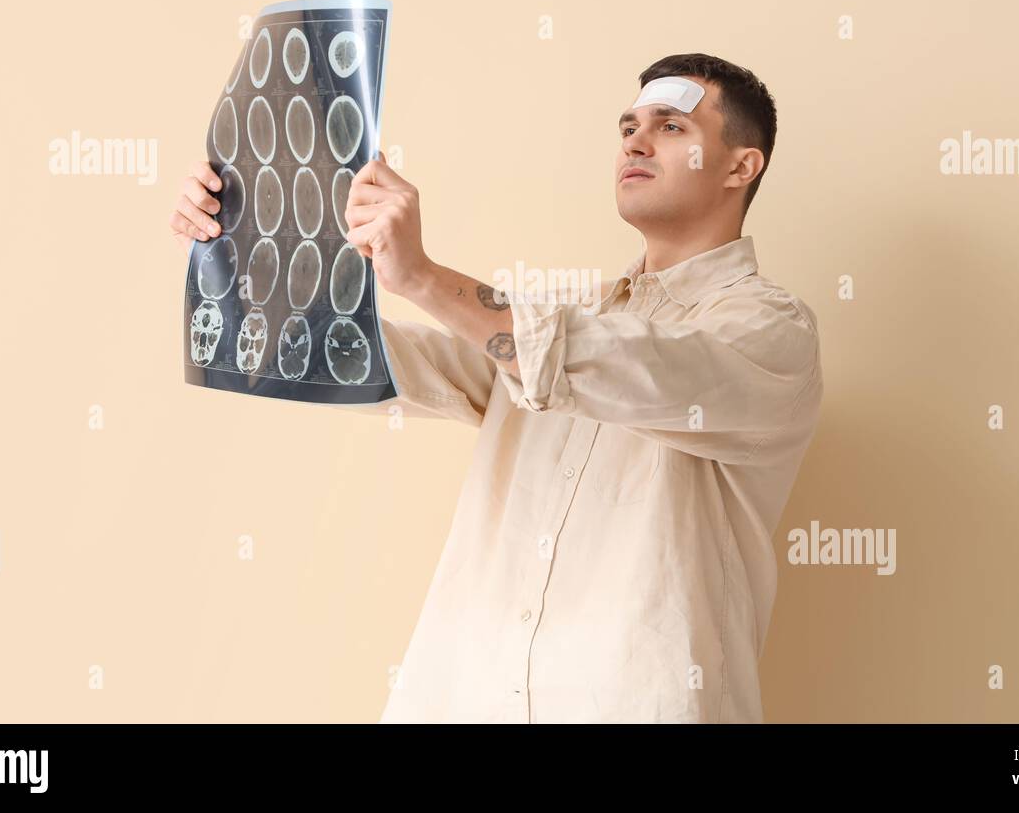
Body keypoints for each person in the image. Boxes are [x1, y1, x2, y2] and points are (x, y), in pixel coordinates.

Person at [169, 53, 824, 722]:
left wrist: (422, 276)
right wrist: (244, 247)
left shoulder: (770, 335)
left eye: (672, 126)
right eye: (628, 125)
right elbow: (353, 360)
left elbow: (637, 367)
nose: (634, 139)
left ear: (742, 166)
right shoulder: (560, 319)